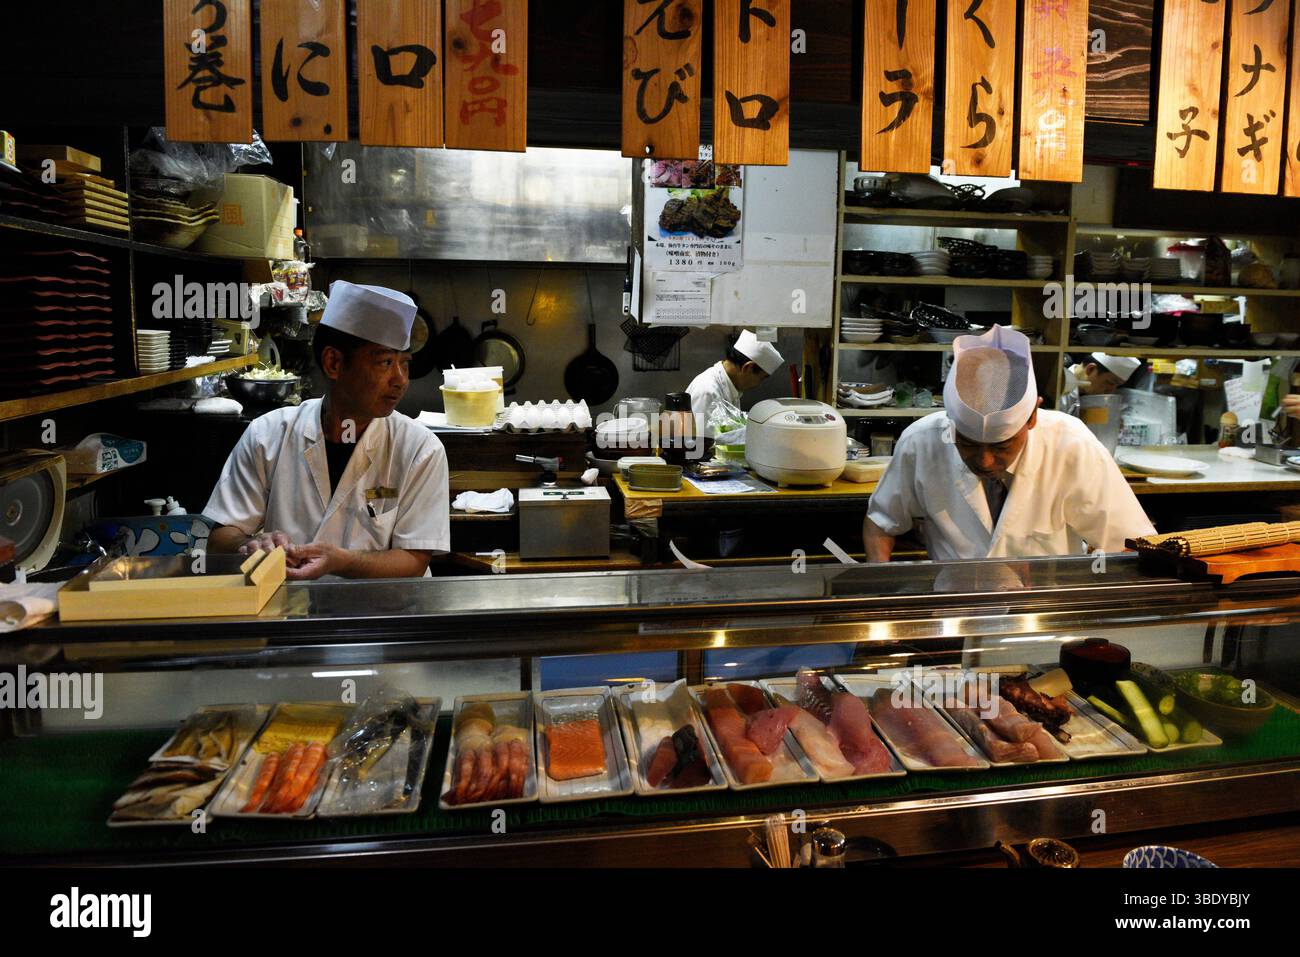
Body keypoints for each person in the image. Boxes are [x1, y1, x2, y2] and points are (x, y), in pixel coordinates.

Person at [204, 281, 450, 580]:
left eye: (405, 364)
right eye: (385, 362)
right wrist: (251, 544)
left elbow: (414, 560)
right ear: (334, 363)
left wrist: (340, 562)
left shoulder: (420, 448)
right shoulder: (267, 435)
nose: (400, 380)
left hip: (382, 617)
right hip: (289, 613)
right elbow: (219, 541)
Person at [864, 325, 1155, 562]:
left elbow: (1128, 543)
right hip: (954, 612)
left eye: (1002, 446)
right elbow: (882, 522)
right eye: (967, 444)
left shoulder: (1072, 444)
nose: (985, 461)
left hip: (1044, 621)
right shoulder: (921, 442)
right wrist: (878, 603)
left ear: (1032, 417)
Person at [685, 329, 783, 427]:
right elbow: (701, 440)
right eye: (762, 378)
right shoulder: (708, 391)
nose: (758, 384)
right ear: (748, 368)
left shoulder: (732, 387)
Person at [1059, 352, 1142, 415]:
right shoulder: (1058, 388)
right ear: (1090, 369)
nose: (1111, 391)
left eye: (1117, 386)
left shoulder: (1091, 394)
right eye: (1110, 383)